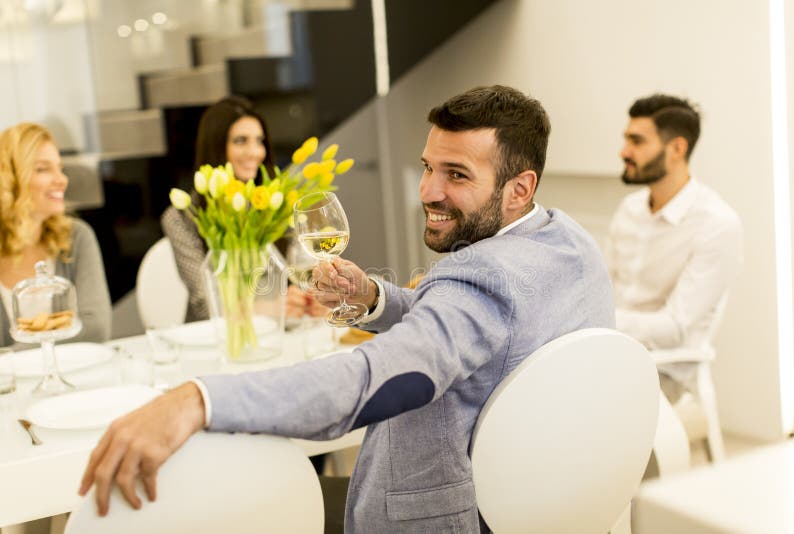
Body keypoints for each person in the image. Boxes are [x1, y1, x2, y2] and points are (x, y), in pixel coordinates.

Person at [79, 85, 615, 533]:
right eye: (428, 167)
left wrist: (197, 399)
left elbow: (369, 380)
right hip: (552, 505)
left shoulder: (478, 277)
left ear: (519, 188)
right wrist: (374, 298)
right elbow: (474, 325)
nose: (428, 191)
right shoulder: (567, 241)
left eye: (456, 174)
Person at [606, 94, 743, 400]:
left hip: (663, 368)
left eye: (637, 141)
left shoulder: (716, 224)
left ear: (677, 149)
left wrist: (601, 321)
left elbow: (676, 328)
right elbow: (604, 289)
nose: (624, 151)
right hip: (609, 351)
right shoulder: (628, 209)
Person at [161, 95, 324, 323]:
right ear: (216, 146)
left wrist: (312, 298)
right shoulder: (182, 217)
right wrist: (270, 308)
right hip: (214, 337)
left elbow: (303, 269)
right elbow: (205, 305)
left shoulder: (277, 204)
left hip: (280, 331)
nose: (255, 152)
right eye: (240, 141)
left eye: (259, 141)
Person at [0, 122, 111, 347]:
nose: (62, 180)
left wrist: (14, 355)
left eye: (59, 168)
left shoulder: (76, 237)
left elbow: (96, 327)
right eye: (43, 169)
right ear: (10, 179)